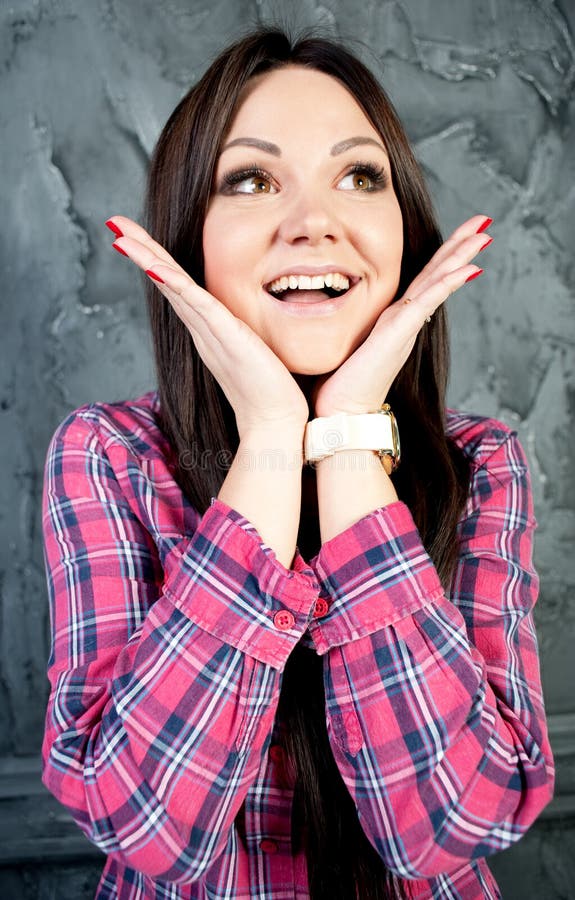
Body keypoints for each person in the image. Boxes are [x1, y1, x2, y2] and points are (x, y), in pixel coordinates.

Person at [41, 27, 554, 900]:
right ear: (186, 236)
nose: (313, 222)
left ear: (405, 232)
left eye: (359, 177)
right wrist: (274, 444)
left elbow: (458, 825)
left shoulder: (482, 466)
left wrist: (346, 437)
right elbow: (139, 824)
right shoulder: (109, 456)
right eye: (250, 179)